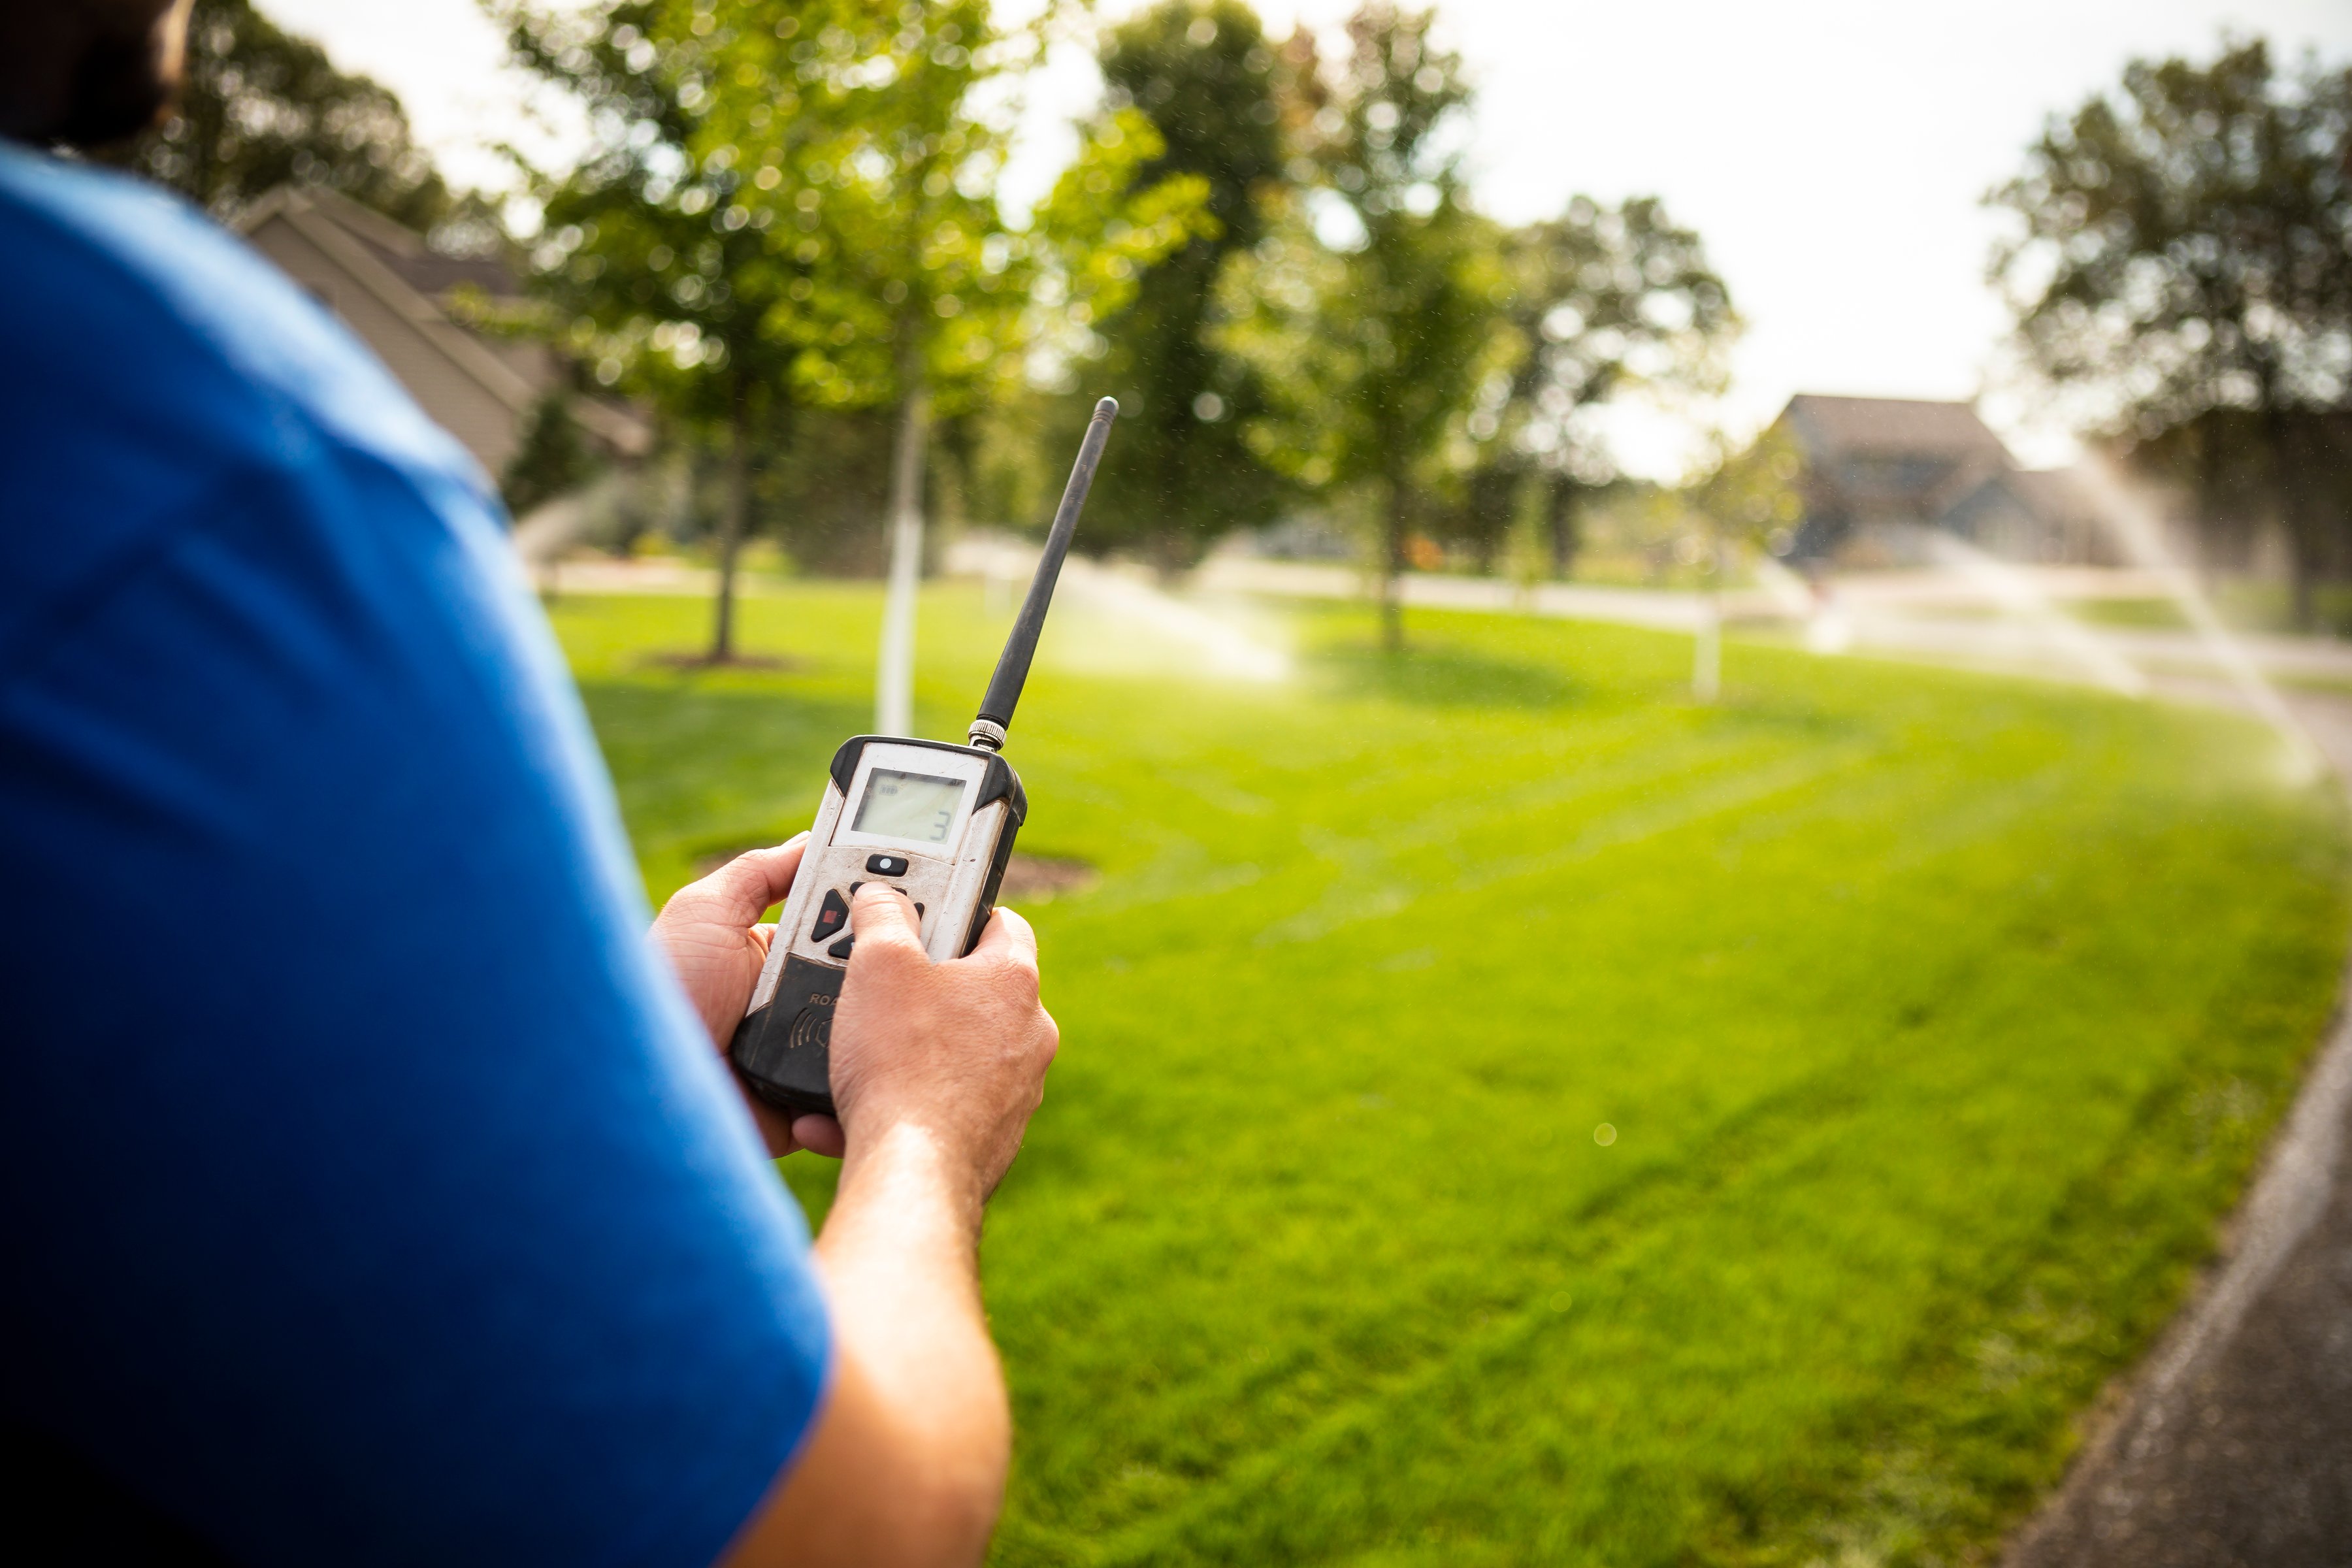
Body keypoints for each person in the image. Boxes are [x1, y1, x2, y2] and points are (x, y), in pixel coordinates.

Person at [0, 4, 1060, 1564]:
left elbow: (207, 1193)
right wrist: (925, 1130)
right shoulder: (172, 436)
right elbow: (838, 1531)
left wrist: (631, 1063)